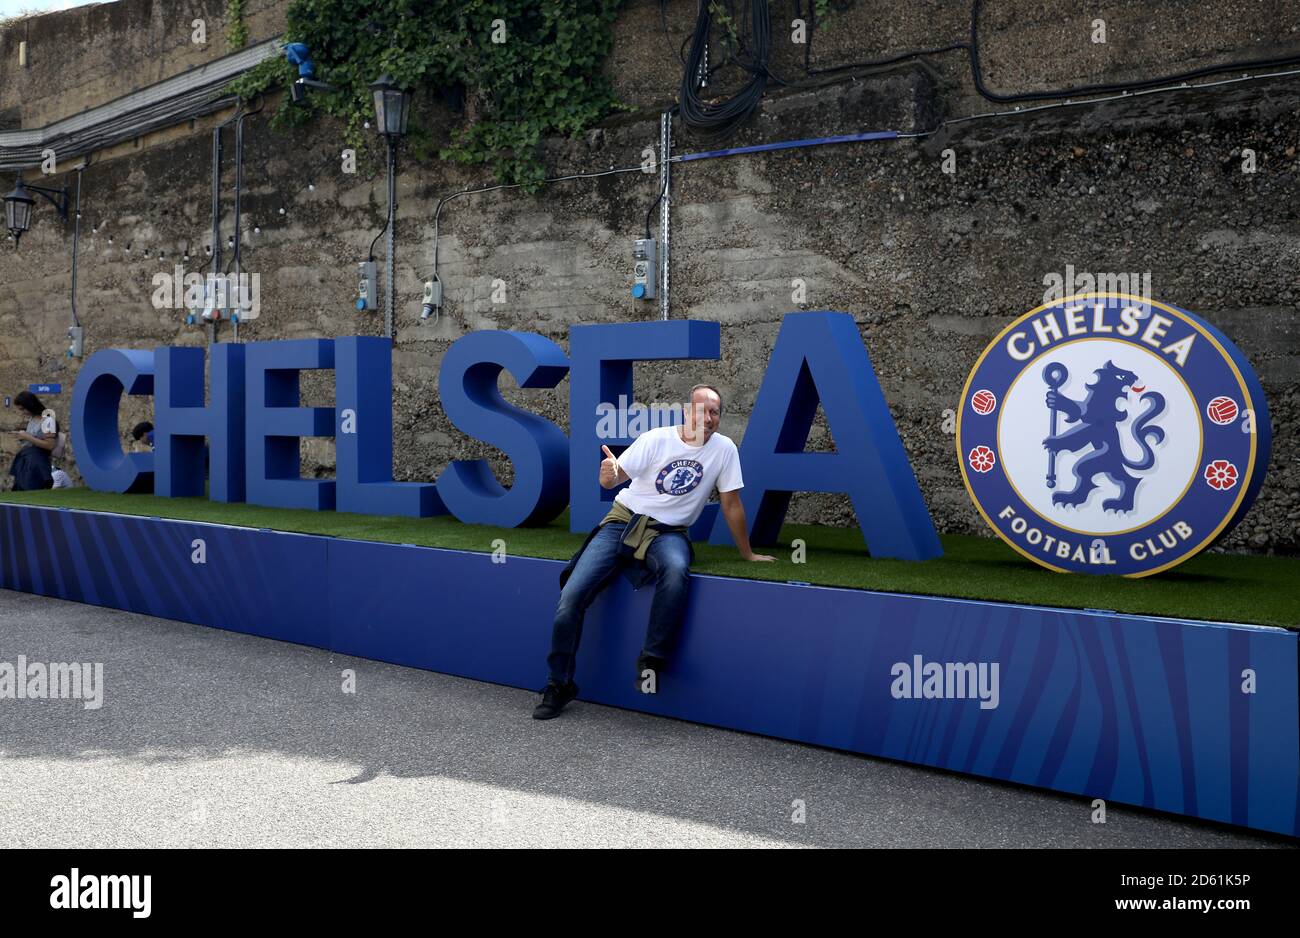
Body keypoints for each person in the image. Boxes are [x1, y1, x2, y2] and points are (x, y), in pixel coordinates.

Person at [533, 384, 774, 720]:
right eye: (701, 409)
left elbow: (732, 505)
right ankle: (558, 684)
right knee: (571, 595)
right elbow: (614, 479)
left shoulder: (724, 450)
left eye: (715, 411)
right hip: (622, 521)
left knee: (676, 571)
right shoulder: (656, 438)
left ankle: (652, 658)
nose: (708, 417)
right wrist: (608, 475)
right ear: (687, 412)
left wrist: (747, 554)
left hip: (668, 532)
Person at [8, 391, 57, 491]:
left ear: (30, 405)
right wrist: (21, 436)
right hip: (27, 459)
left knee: (32, 488)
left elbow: (50, 445)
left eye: (23, 409)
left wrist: (27, 437)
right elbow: (33, 438)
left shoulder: (47, 418)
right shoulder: (32, 417)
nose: (22, 412)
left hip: (38, 461)